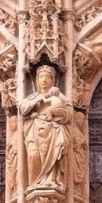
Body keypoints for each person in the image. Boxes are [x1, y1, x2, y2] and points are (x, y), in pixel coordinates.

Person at [20, 64, 75, 195]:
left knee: (55, 155)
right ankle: (35, 183)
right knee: (33, 155)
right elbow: (22, 110)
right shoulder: (32, 97)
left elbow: (69, 113)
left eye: (47, 77)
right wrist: (37, 101)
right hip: (35, 131)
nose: (44, 80)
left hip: (53, 131)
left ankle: (53, 181)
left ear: (53, 80)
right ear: (37, 80)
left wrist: (56, 110)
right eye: (41, 77)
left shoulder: (60, 97)